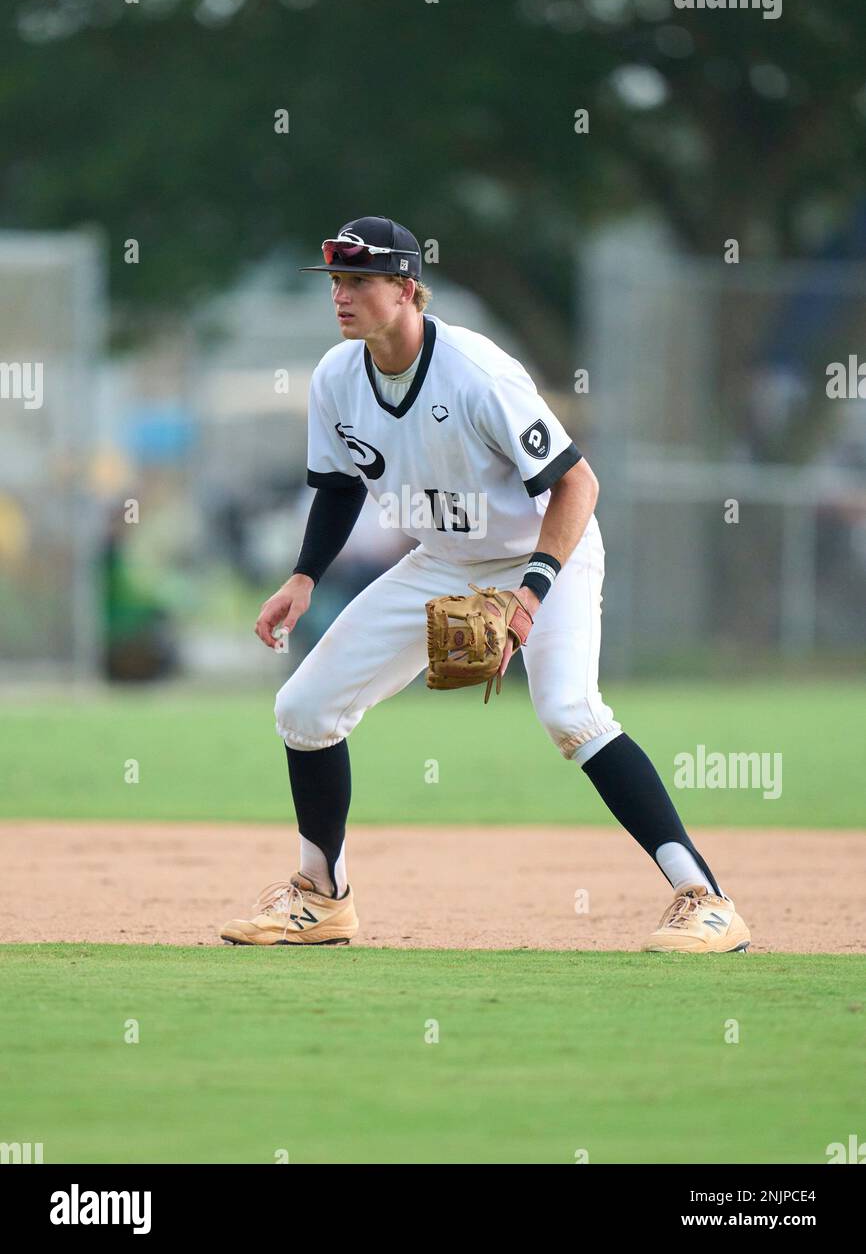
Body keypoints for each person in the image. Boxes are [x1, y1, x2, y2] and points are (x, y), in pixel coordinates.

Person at [220, 216, 750, 953]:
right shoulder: (336, 377)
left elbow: (578, 486)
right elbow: (340, 486)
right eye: (336, 282)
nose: (340, 296)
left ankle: (707, 899)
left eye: (359, 281)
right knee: (304, 708)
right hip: (444, 559)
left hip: (544, 551)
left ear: (406, 289)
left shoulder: (474, 372)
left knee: (570, 712)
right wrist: (304, 578)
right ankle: (320, 898)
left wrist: (527, 600)